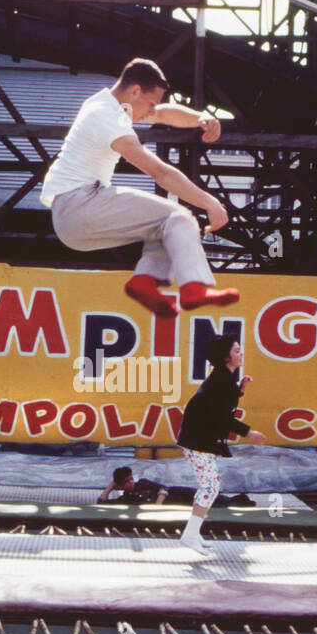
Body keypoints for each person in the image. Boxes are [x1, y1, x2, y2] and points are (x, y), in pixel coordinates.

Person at [40, 58, 240, 317]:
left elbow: (164, 112)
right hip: (80, 203)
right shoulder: (105, 116)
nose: (150, 113)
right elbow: (158, 172)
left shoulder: (112, 104)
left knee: (165, 229)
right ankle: (194, 289)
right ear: (135, 90)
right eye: (150, 103)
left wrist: (199, 117)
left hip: (72, 221)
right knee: (179, 218)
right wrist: (210, 203)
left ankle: (145, 281)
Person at [175, 335, 267, 553]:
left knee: (209, 486)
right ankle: (189, 535)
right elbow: (220, 416)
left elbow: (224, 402)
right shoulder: (220, 381)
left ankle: (192, 533)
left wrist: (240, 389)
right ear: (226, 357)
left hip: (200, 438)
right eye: (236, 350)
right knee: (210, 486)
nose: (241, 353)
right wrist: (249, 432)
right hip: (197, 440)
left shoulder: (224, 378)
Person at [97, 466, 255, 507]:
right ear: (121, 485)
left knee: (209, 497)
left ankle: (242, 501)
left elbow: (163, 489)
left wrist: (157, 504)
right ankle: (238, 503)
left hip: (176, 493)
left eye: (131, 479)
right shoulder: (125, 499)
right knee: (212, 507)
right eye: (127, 481)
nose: (131, 482)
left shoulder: (143, 483)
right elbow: (101, 502)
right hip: (176, 503)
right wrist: (112, 485)